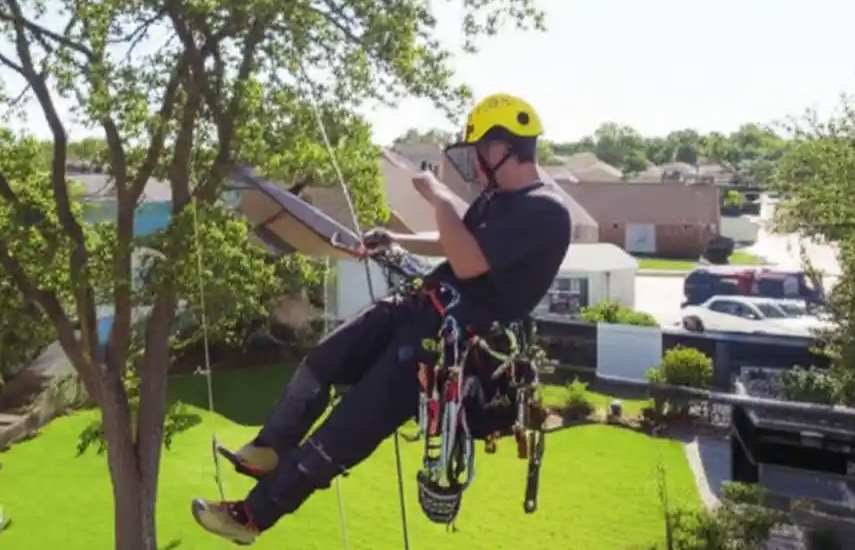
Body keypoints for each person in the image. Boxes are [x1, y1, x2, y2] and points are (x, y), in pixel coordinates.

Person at [191, 93, 573, 545]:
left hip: (442, 350)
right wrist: (398, 239)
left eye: (478, 151)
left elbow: (469, 261)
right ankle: (270, 447)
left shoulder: (546, 211)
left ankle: (251, 517)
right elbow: (456, 241)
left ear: (502, 147)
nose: (475, 163)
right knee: (323, 361)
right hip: (420, 309)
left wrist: (439, 197)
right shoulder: (498, 200)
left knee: (342, 432)